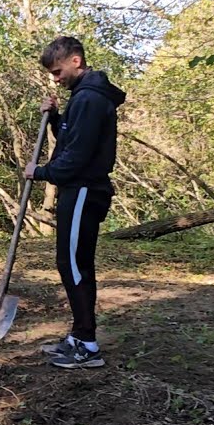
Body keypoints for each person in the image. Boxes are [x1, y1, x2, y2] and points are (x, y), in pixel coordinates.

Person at [24, 37, 126, 369]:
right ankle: (79, 336)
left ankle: (87, 346)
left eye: (58, 71)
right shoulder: (83, 97)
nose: (56, 78)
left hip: (83, 189)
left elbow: (77, 158)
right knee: (74, 263)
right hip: (79, 189)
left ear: (76, 61)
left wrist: (40, 172)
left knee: (73, 265)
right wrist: (55, 119)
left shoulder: (90, 99)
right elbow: (71, 139)